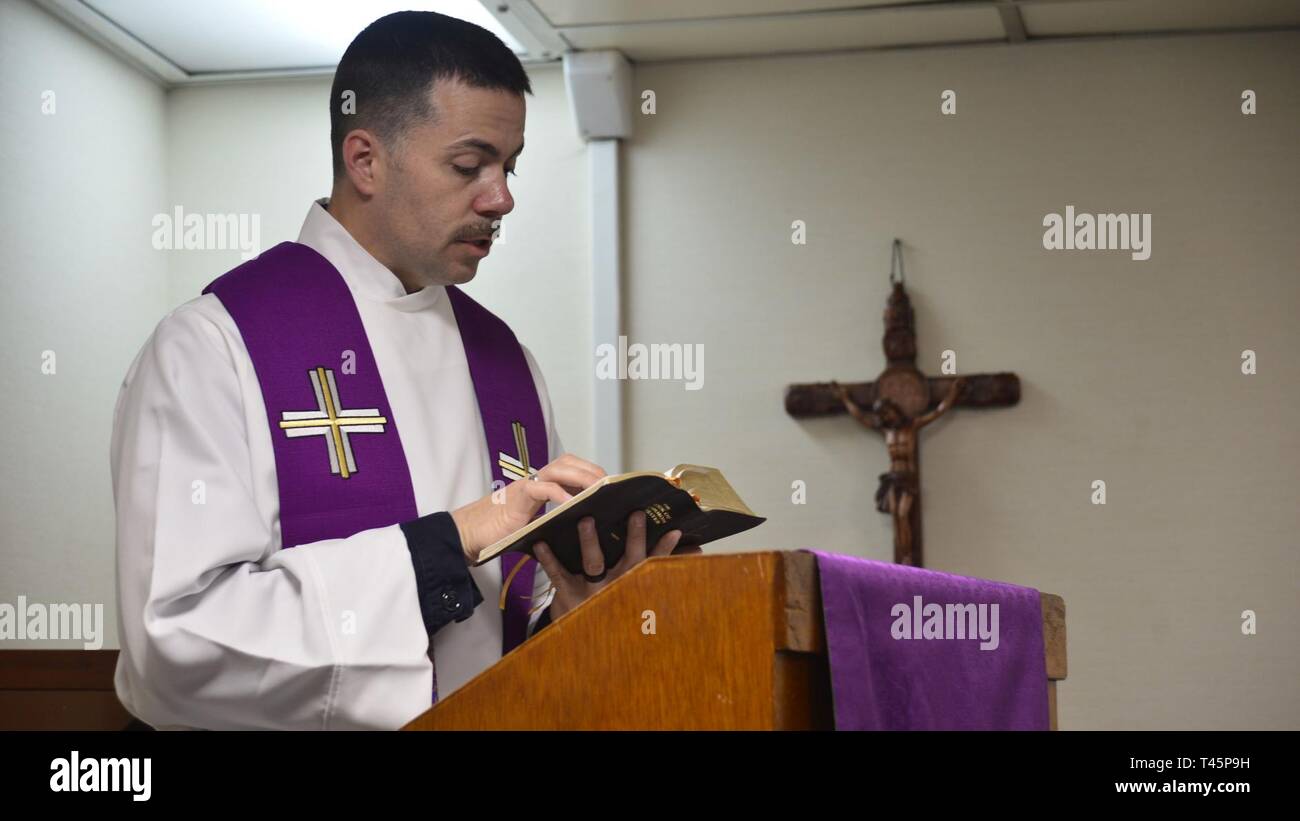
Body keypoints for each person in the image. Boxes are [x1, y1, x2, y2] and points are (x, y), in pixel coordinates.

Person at [110, 11, 687, 731]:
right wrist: (451, 541)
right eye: (469, 164)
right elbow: (178, 640)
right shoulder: (213, 345)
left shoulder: (507, 363)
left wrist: (576, 617)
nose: (501, 197)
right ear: (366, 160)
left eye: (510, 167)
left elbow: (497, 646)